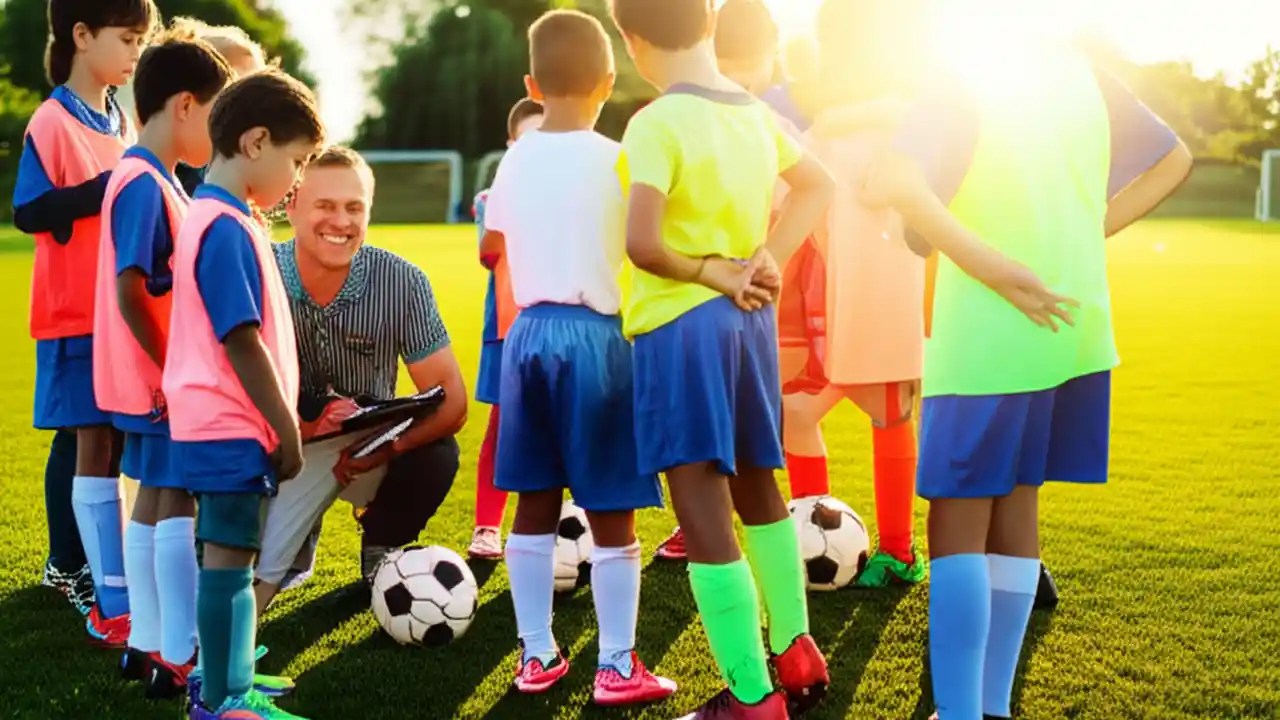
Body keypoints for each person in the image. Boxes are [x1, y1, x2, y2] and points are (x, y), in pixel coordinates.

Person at [857, 31, 1192, 720]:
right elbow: (1175, 159)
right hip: (1072, 326)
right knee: (1017, 507)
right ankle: (992, 706)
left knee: (957, 518)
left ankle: (957, 714)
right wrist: (1081, 233)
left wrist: (993, 266)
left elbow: (895, 181)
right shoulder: (1084, 73)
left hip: (988, 332)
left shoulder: (966, 66)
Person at [610, 1, 836, 717]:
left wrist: (713, 271)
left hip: (683, 330)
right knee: (761, 489)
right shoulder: (753, 112)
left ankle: (749, 694)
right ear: (710, 22)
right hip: (749, 326)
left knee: (702, 505)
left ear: (631, 40)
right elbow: (818, 186)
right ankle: (796, 651)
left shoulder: (654, 122)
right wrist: (765, 258)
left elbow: (643, 244)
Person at [483, 10, 677, 705]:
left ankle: (536, 655)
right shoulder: (617, 158)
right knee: (613, 513)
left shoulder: (513, 157)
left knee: (533, 502)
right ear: (608, 80)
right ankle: (618, 665)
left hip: (528, 337)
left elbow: (497, 244)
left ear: (532, 83)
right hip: (599, 340)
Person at [163, 69, 324, 720]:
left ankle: (229, 681)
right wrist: (284, 426)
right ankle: (220, 699)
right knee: (229, 566)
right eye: (298, 161)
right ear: (256, 142)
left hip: (231, 423)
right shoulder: (222, 226)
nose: (299, 179)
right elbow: (239, 339)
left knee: (234, 560)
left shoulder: (232, 217)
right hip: (228, 423)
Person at [253, 145, 466, 611]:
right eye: (324, 206)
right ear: (291, 206)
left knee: (435, 452)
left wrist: (385, 449)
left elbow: (452, 402)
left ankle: (382, 542)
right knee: (252, 579)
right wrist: (303, 425)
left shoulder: (402, 281)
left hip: (366, 449)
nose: (341, 221)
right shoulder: (260, 269)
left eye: (354, 207)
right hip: (277, 443)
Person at [92, 25, 233, 697]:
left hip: (145, 381)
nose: (220, 132)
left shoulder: (155, 178)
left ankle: (148, 641)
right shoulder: (146, 182)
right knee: (173, 500)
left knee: (153, 500)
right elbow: (130, 289)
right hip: (159, 383)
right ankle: (179, 648)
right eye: (216, 114)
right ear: (184, 105)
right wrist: (171, 372)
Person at [13, 0, 157, 642]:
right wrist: (108, 187)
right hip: (74, 312)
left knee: (110, 439)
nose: (134, 53)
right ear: (81, 35)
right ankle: (67, 566)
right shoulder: (50, 121)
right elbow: (29, 210)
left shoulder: (119, 116)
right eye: (126, 39)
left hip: (116, 309)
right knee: (79, 439)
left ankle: (93, 563)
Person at [469, 97, 544, 561]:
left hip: (562, 326)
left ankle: (572, 523)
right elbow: (490, 251)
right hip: (508, 327)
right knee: (503, 427)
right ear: (511, 146)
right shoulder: (489, 200)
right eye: (527, 142)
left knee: (565, 426)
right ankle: (486, 526)